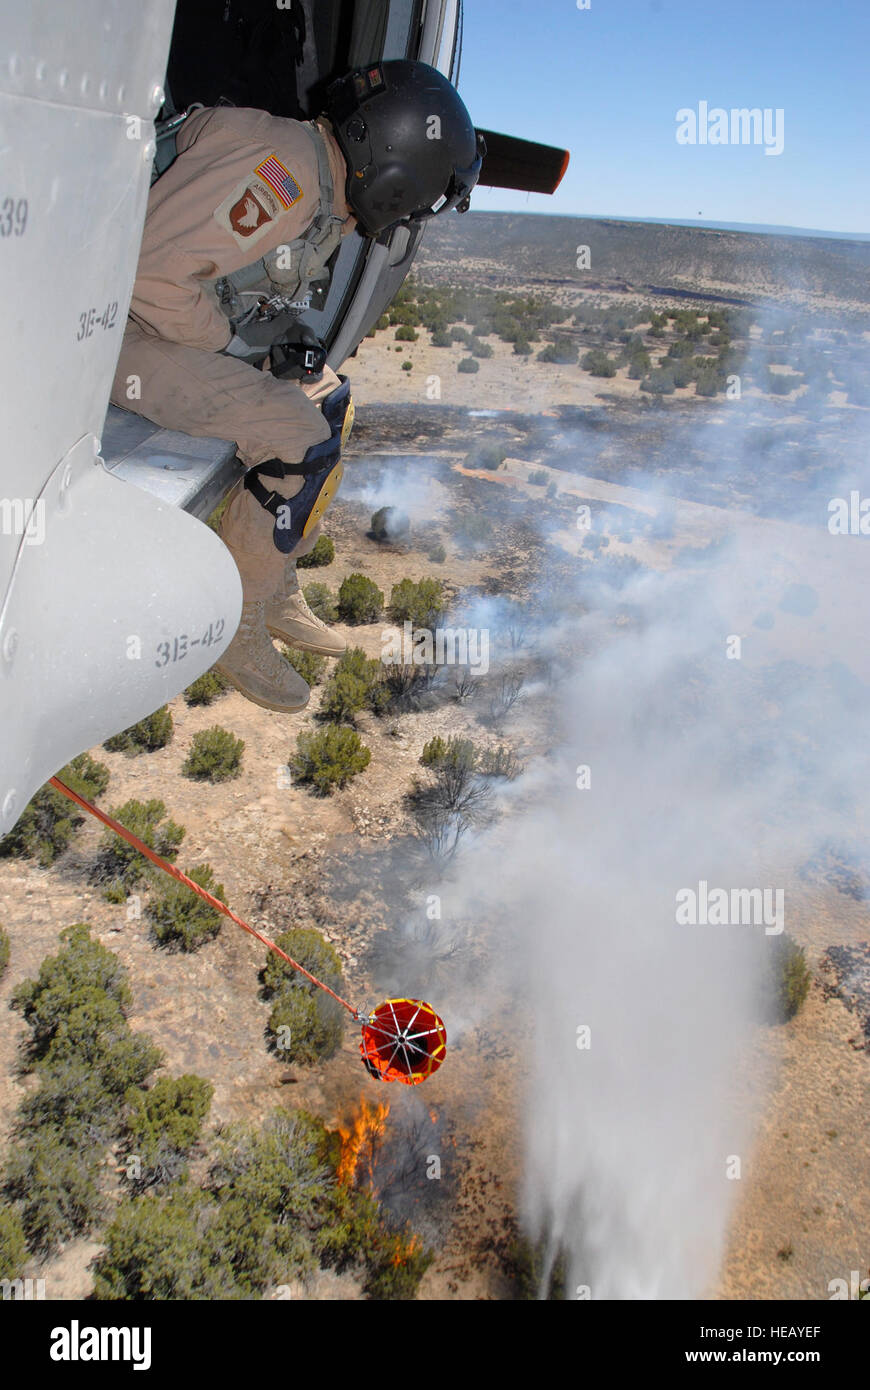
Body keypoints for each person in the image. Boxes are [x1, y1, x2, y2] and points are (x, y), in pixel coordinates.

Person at [110, 60, 484, 712]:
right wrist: (230, 348)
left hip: (154, 319)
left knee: (327, 395)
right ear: (398, 171)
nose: (415, 211)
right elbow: (149, 273)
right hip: (112, 329)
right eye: (424, 194)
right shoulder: (281, 173)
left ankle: (272, 579)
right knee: (297, 438)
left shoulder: (318, 182)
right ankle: (236, 619)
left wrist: (261, 343)